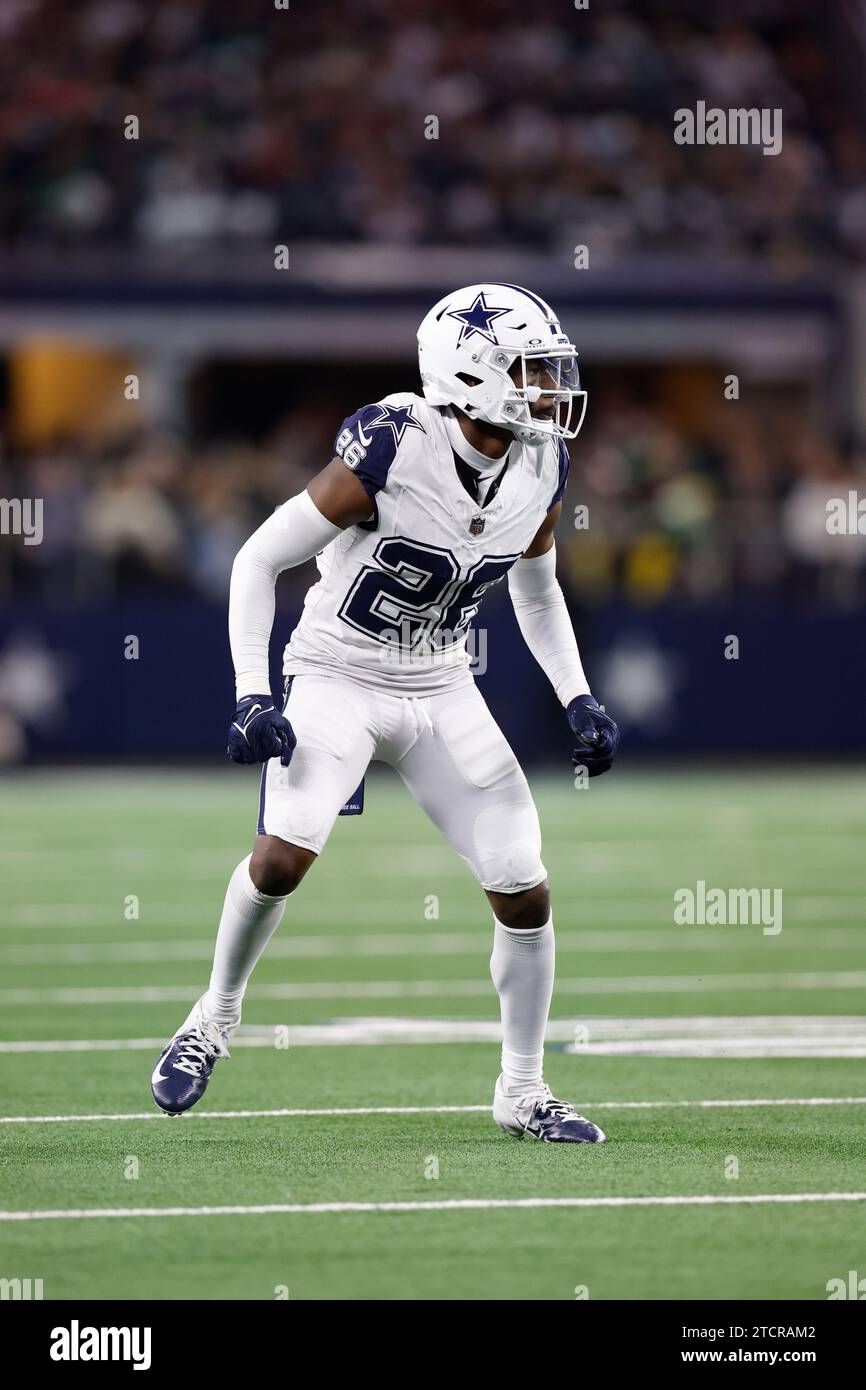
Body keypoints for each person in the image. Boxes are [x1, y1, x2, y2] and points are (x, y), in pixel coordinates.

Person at [151, 283, 620, 1142]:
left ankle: (523, 1090)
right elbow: (257, 561)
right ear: (471, 375)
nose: (552, 389)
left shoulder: (543, 461)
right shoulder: (395, 442)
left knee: (523, 882)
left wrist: (576, 693)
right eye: (533, 370)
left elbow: (538, 587)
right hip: (337, 671)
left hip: (441, 681)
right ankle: (212, 1019)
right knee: (284, 855)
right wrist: (252, 692)